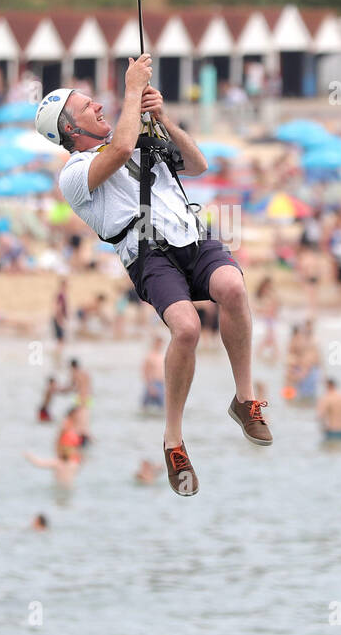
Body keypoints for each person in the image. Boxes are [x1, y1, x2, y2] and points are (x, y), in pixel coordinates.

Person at [39, 57, 271, 498]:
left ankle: (245, 400)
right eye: (89, 107)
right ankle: (174, 441)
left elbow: (198, 164)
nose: (100, 109)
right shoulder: (73, 174)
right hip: (148, 254)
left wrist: (162, 119)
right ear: (70, 129)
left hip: (192, 235)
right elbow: (121, 151)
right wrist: (131, 92)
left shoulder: (141, 133)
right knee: (185, 328)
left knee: (233, 288)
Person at [315, 378, 341, 442]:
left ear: (328, 386)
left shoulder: (326, 398)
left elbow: (320, 416)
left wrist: (323, 427)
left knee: (330, 450)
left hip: (331, 430)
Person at [141, 336, 165, 410]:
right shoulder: (150, 356)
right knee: (146, 407)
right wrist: (150, 387)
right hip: (153, 383)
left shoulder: (162, 355)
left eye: (160, 343)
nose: (159, 345)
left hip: (162, 384)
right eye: (158, 343)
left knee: (162, 408)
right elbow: (145, 372)